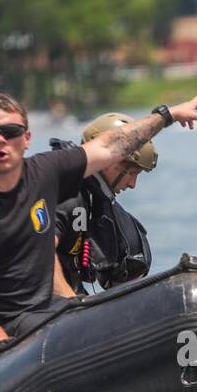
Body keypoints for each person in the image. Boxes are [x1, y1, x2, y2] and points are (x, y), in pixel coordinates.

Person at [0, 93, 197, 362]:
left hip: (48, 316)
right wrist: (4, 350)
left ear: (26, 138)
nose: (0, 140)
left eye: (10, 132)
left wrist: (167, 114)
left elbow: (112, 145)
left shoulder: (45, 173)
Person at [52, 113, 157, 294]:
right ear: (110, 160)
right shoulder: (66, 193)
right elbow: (39, 255)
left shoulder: (89, 198)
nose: (132, 184)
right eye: (131, 173)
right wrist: (71, 303)